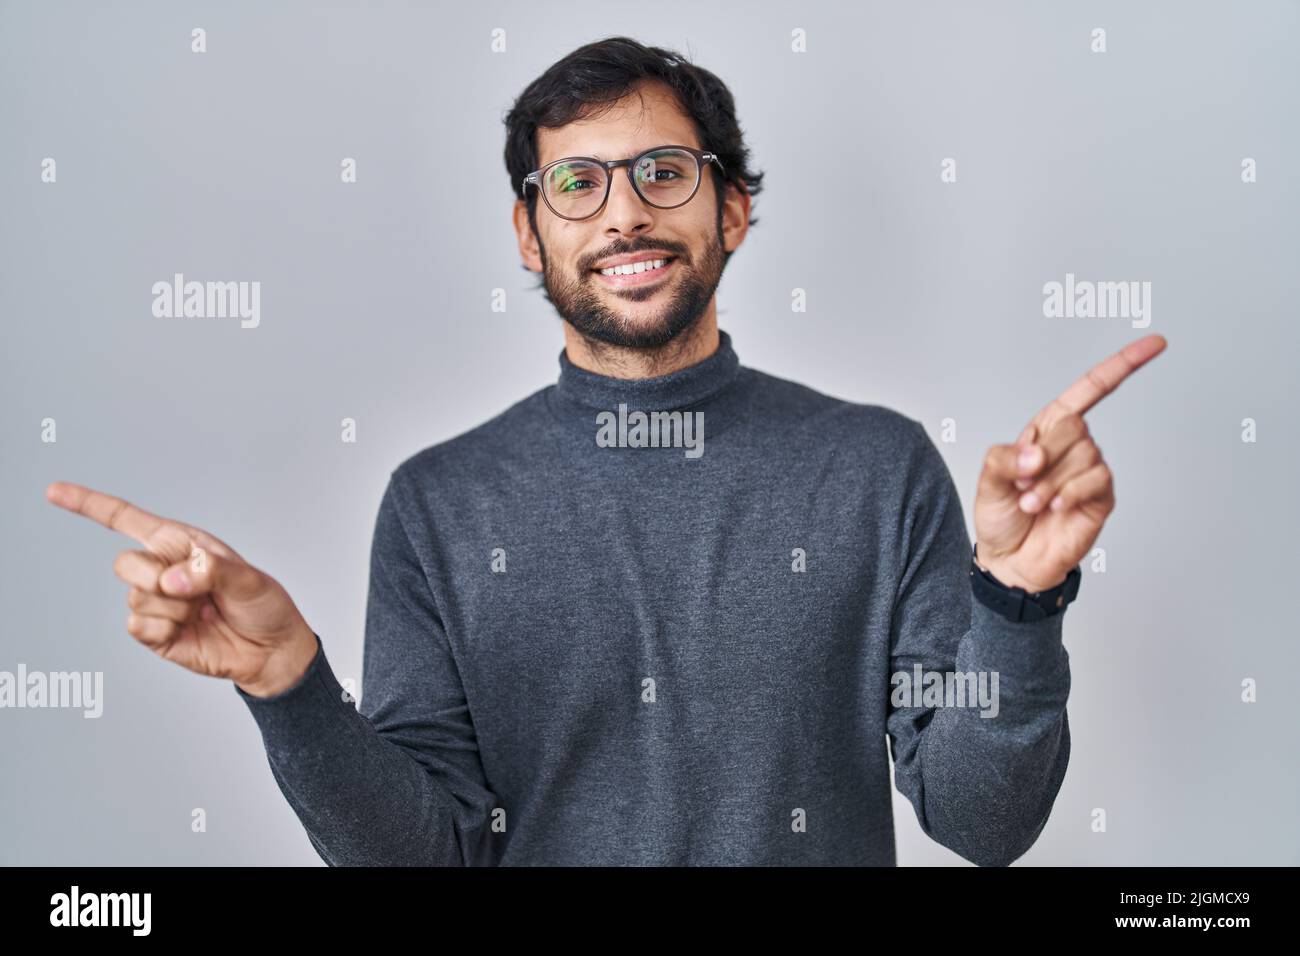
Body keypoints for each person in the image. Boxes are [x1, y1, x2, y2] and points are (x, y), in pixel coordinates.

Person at [47, 36, 1166, 866]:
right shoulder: (439, 503)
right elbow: (428, 852)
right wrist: (288, 684)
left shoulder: (876, 469)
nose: (623, 214)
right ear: (531, 235)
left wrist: (1017, 597)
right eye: (576, 184)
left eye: (663, 173)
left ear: (731, 210)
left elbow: (982, 821)